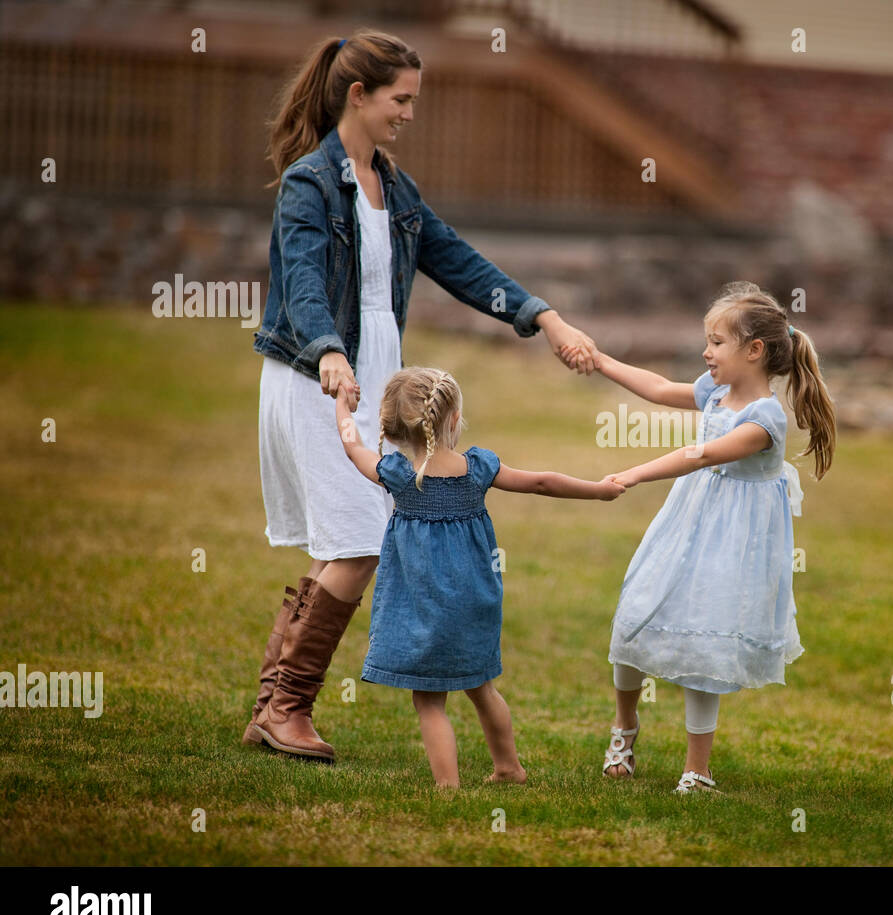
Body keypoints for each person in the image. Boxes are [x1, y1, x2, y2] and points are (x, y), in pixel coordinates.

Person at [245, 30, 598, 762]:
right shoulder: (312, 184)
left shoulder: (395, 188)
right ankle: (287, 708)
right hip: (320, 376)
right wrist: (330, 354)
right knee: (359, 540)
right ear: (358, 96)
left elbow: (458, 260)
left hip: (372, 372)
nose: (410, 112)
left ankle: (272, 708)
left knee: (348, 542)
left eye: (414, 99)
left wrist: (541, 314)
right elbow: (303, 283)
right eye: (400, 99)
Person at [578, 281, 836, 794]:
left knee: (705, 644)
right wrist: (601, 360)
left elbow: (700, 455)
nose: (706, 351)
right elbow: (656, 388)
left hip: (735, 541)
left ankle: (697, 769)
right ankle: (624, 730)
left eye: (716, 342)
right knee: (634, 616)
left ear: (753, 351)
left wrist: (629, 474)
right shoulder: (715, 389)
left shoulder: (765, 419)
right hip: (686, 522)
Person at [334, 367, 624, 786]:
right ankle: (508, 767)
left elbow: (350, 444)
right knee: (482, 688)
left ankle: (448, 787)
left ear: (395, 428)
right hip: (474, 602)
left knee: (430, 701)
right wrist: (597, 489)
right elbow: (541, 482)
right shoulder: (478, 468)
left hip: (422, 606)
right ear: (452, 420)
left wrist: (342, 403)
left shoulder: (395, 473)